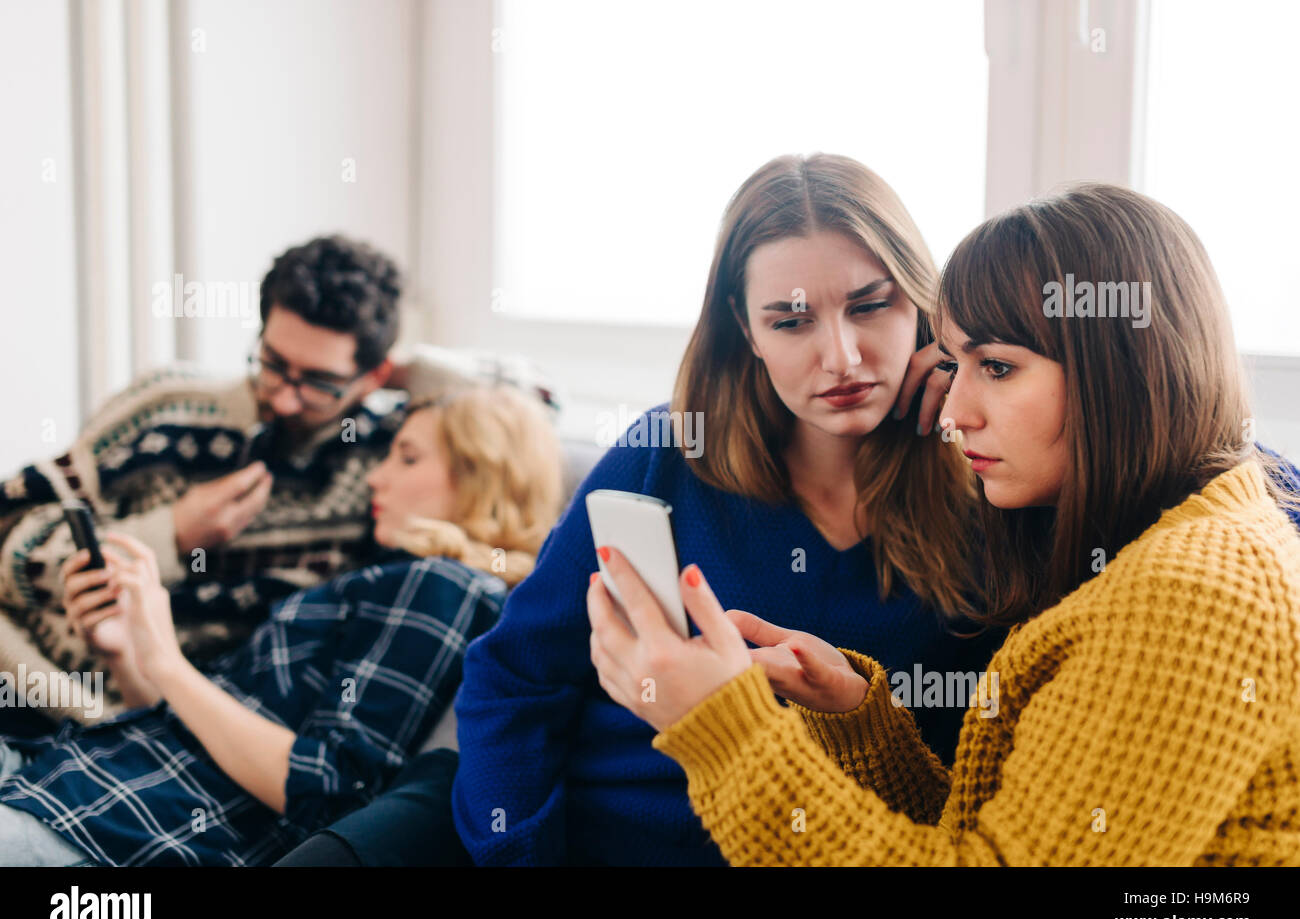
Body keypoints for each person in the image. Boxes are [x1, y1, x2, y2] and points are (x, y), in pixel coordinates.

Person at [589, 182, 1300, 865]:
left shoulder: (1190, 598)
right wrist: (858, 719)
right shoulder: (1158, 550)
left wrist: (722, 733)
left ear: (1124, 371)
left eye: (995, 367)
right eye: (955, 364)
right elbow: (983, 843)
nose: (954, 414)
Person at [443, 153, 1007, 867]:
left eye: (871, 306)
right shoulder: (664, 453)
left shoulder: (990, 484)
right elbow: (514, 679)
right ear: (745, 328)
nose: (842, 357)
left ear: (923, 305)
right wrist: (521, 856)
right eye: (792, 321)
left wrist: (974, 394)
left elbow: (974, 772)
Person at [0, 235, 556, 729]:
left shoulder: (386, 451)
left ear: (375, 376)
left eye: (319, 381)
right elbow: (12, 530)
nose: (285, 397)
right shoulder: (169, 403)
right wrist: (170, 536)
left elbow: (533, 408)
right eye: (273, 362)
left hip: (145, 723)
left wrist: (403, 372)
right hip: (22, 670)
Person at [0, 385, 562, 866]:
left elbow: (332, 787)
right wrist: (130, 653)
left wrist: (168, 662)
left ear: (481, 478)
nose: (376, 477)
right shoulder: (392, 578)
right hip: (72, 781)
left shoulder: (447, 586)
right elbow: (197, 737)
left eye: (408, 459)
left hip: (117, 830)